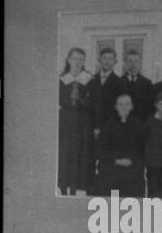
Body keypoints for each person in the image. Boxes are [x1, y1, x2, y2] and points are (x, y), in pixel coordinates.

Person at [57, 47, 94, 195]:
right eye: (75, 58)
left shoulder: (89, 79)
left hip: (82, 123)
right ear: (68, 60)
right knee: (65, 153)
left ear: (84, 62)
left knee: (79, 154)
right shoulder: (62, 79)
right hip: (66, 122)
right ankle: (63, 187)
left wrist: (80, 101)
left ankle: (76, 188)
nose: (77, 62)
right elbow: (59, 100)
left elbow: (93, 103)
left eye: (81, 59)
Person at [96, 93, 145, 197]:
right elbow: (101, 148)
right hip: (112, 165)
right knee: (111, 190)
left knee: (133, 187)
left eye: (127, 104)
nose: (124, 107)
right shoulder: (108, 124)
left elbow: (142, 148)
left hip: (132, 166)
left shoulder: (139, 125)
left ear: (132, 106)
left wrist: (131, 160)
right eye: (121, 104)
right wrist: (116, 161)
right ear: (116, 107)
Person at [120, 48, 155, 122]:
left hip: (141, 124)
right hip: (122, 123)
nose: (133, 64)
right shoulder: (118, 82)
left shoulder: (147, 83)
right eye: (130, 61)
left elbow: (151, 107)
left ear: (140, 63)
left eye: (136, 61)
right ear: (125, 63)